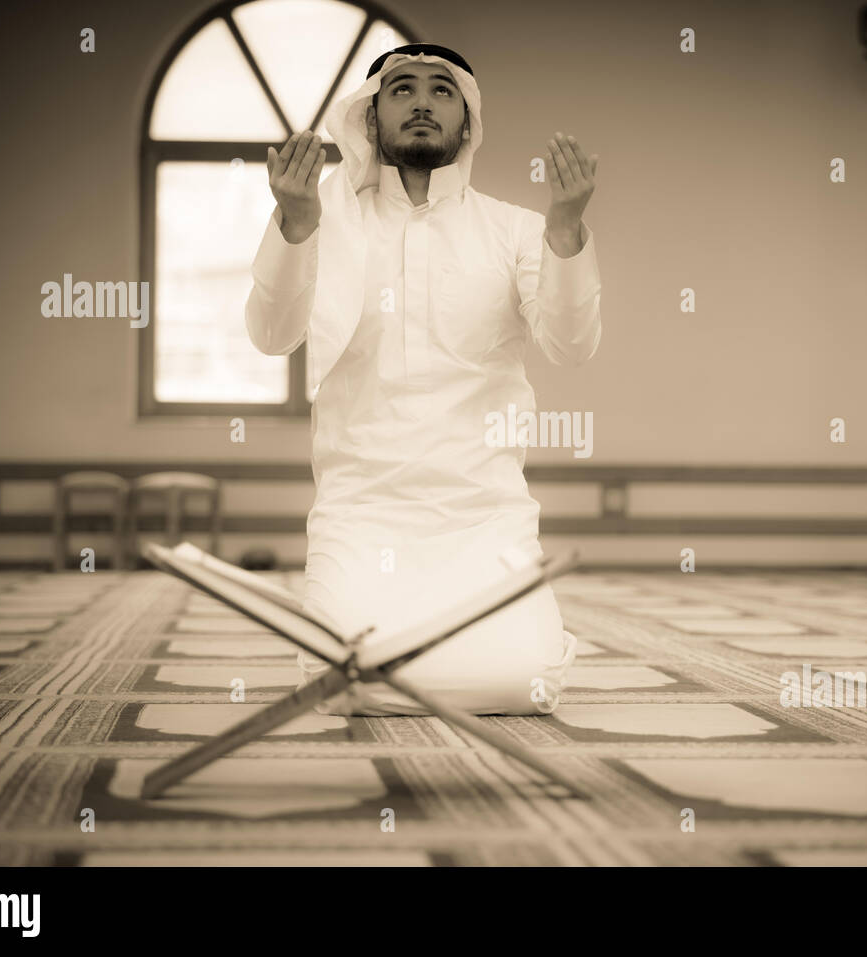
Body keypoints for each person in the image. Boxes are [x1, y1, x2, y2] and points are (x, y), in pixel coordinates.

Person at [244, 43, 602, 716]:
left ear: (467, 121)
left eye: (442, 91)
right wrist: (293, 226)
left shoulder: (517, 230)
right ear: (371, 117)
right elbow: (270, 335)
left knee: (522, 681)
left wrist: (566, 230)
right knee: (344, 678)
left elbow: (571, 344)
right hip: (362, 514)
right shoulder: (325, 220)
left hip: (484, 517)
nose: (421, 103)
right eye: (402, 89)